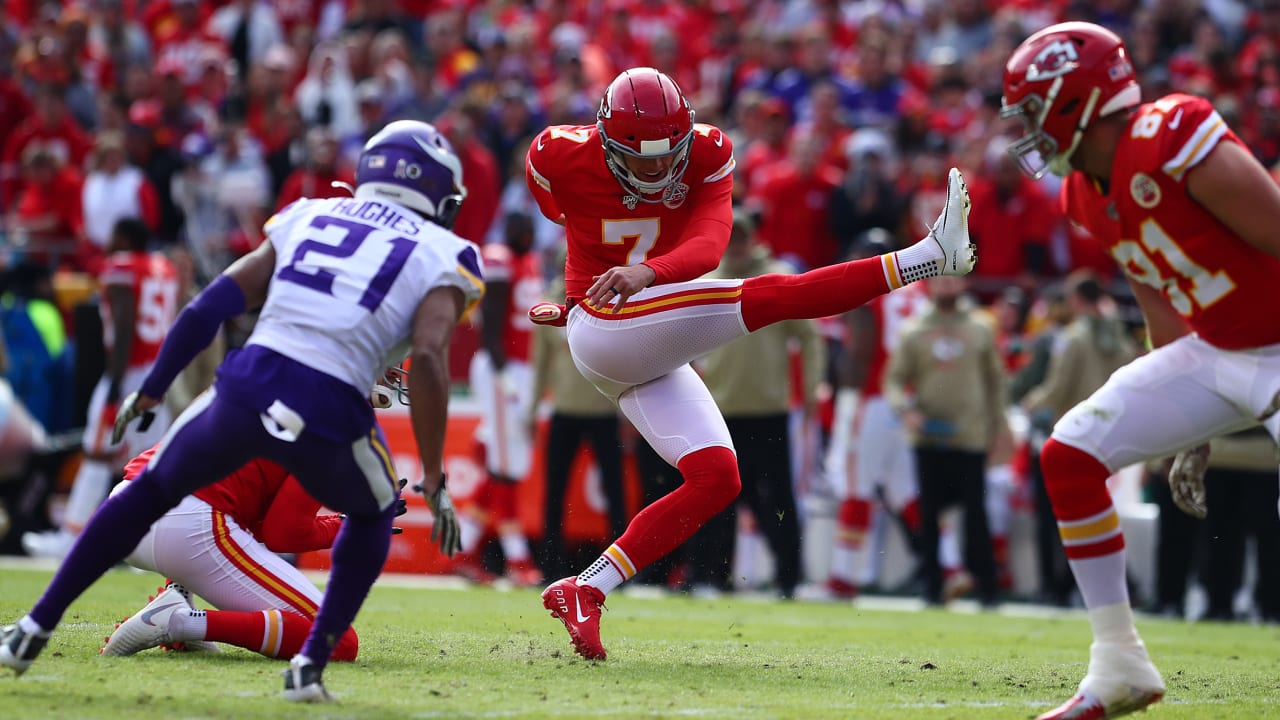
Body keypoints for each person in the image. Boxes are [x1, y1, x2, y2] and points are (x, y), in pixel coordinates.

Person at [0, 120, 480, 703]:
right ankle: (309, 669)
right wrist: (433, 475)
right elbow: (428, 358)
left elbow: (213, 303)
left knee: (147, 488)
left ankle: (33, 627)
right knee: (377, 510)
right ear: (434, 189)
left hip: (248, 380)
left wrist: (152, 389)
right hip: (329, 404)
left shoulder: (307, 212)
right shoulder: (444, 249)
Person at [525, 66, 975, 661]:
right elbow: (577, 231)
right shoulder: (556, 154)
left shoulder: (710, 152)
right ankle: (928, 256)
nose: (659, 171)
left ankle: (587, 587)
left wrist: (644, 274)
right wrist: (589, 300)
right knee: (772, 296)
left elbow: (709, 245)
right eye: (642, 160)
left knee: (718, 479)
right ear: (608, 143)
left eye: (669, 157)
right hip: (608, 327)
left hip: (632, 326)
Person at [1000, 22, 1280, 720]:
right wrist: (1187, 427)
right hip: (1219, 351)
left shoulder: (1172, 132)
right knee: (1069, 453)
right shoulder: (1085, 192)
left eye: (1034, 110)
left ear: (1074, 102)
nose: (1027, 132)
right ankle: (1119, 663)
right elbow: (1159, 295)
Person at [100, 439, 405, 661]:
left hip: (125, 503)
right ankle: (179, 621)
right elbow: (284, 534)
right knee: (338, 642)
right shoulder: (330, 416)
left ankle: (178, 591)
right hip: (187, 523)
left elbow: (247, 508)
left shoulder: (263, 378)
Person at [23, 218, 178, 560]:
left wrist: (114, 386)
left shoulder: (121, 267)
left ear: (123, 238)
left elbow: (124, 327)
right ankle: (151, 543)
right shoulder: (163, 268)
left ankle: (71, 537)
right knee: (151, 464)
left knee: (97, 454)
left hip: (128, 374)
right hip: (158, 372)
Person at [691, 210, 823, 599]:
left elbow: (810, 333)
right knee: (716, 497)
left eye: (742, 239)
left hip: (768, 409)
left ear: (753, 239)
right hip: (719, 408)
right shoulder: (708, 283)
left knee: (777, 499)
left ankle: (788, 578)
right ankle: (711, 576)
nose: (736, 247)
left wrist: (812, 388)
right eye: (731, 239)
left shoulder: (776, 277)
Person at [882, 274, 1007, 607]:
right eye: (940, 281)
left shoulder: (981, 327)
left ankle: (987, 588)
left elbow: (996, 381)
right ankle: (932, 587)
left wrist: (999, 429)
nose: (947, 287)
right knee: (929, 516)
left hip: (970, 436)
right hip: (927, 438)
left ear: (964, 284)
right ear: (930, 286)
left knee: (976, 516)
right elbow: (894, 380)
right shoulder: (914, 329)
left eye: (953, 281)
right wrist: (904, 409)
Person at [454, 210, 545, 587]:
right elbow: (491, 319)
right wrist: (503, 371)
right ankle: (518, 560)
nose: (522, 230)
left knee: (505, 467)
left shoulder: (530, 260)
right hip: (501, 367)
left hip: (520, 369)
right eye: (515, 224)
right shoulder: (498, 257)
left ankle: (462, 550)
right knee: (506, 467)